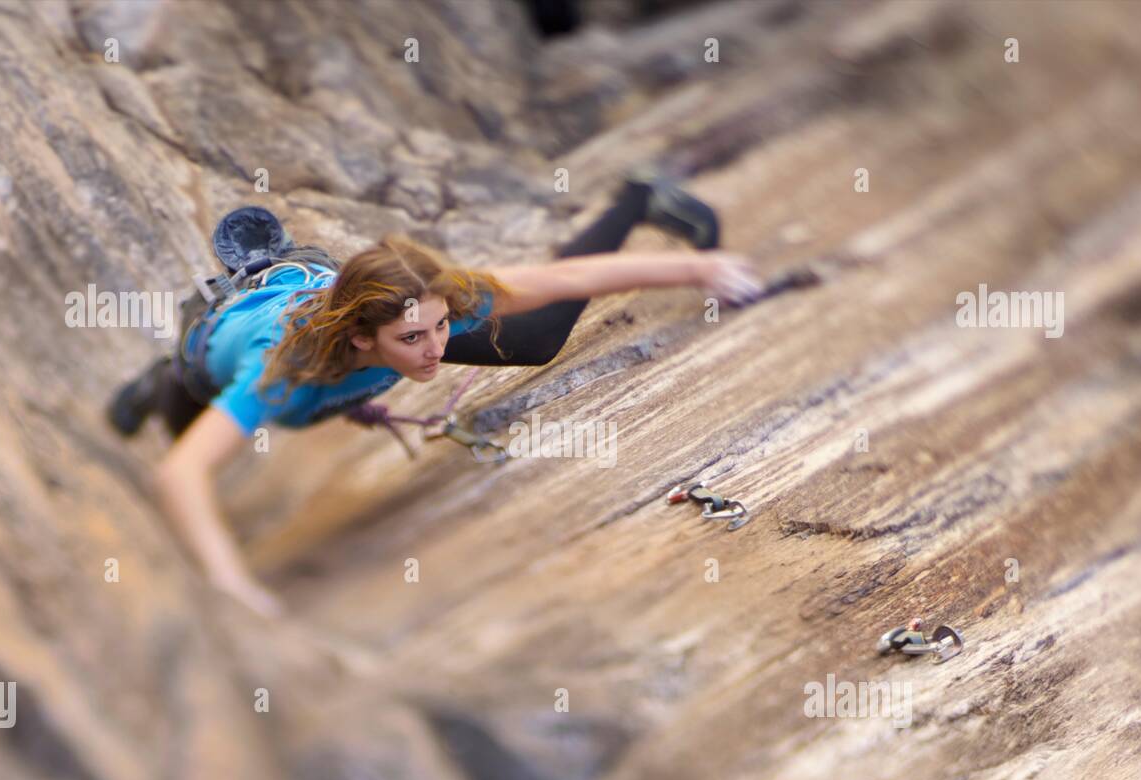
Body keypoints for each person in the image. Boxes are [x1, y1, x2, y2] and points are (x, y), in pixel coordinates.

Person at [108, 170, 764, 619]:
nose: (437, 347)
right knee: (185, 419)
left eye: (442, 326)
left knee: (534, 336)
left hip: (339, 298)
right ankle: (155, 375)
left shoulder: (424, 308)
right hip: (216, 348)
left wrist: (699, 268)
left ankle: (638, 195)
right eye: (416, 337)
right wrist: (229, 580)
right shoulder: (283, 372)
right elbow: (182, 473)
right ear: (364, 341)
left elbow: (568, 276)